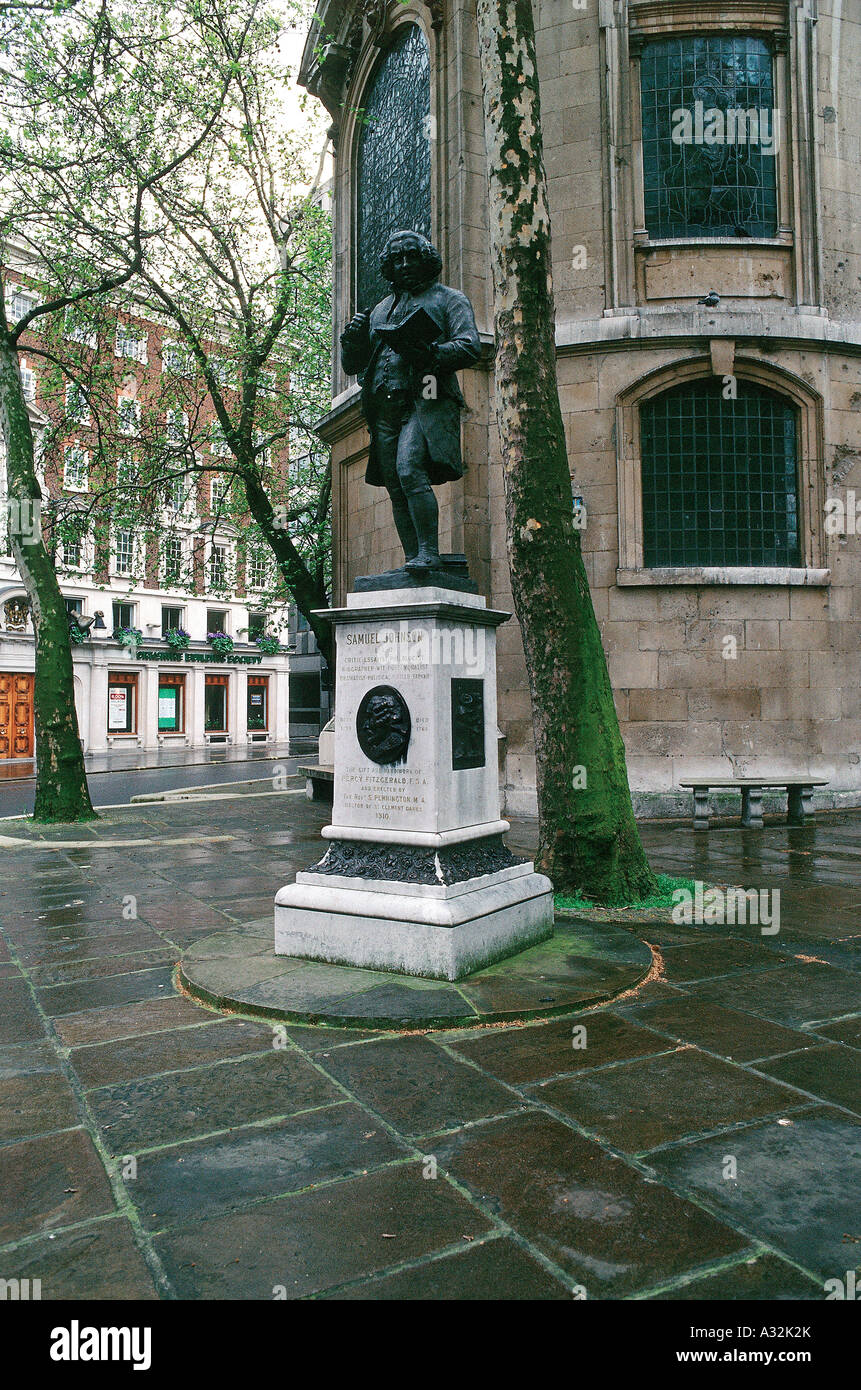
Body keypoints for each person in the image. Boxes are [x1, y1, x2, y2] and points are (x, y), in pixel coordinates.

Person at [340, 230, 481, 570]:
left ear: (425, 260)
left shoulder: (449, 299)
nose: (404, 265)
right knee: (395, 485)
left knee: (409, 470)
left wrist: (431, 351)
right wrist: (352, 342)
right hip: (384, 410)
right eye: (396, 259)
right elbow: (354, 365)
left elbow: (470, 346)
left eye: (411, 257)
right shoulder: (379, 310)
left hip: (426, 399)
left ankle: (429, 553)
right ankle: (413, 559)